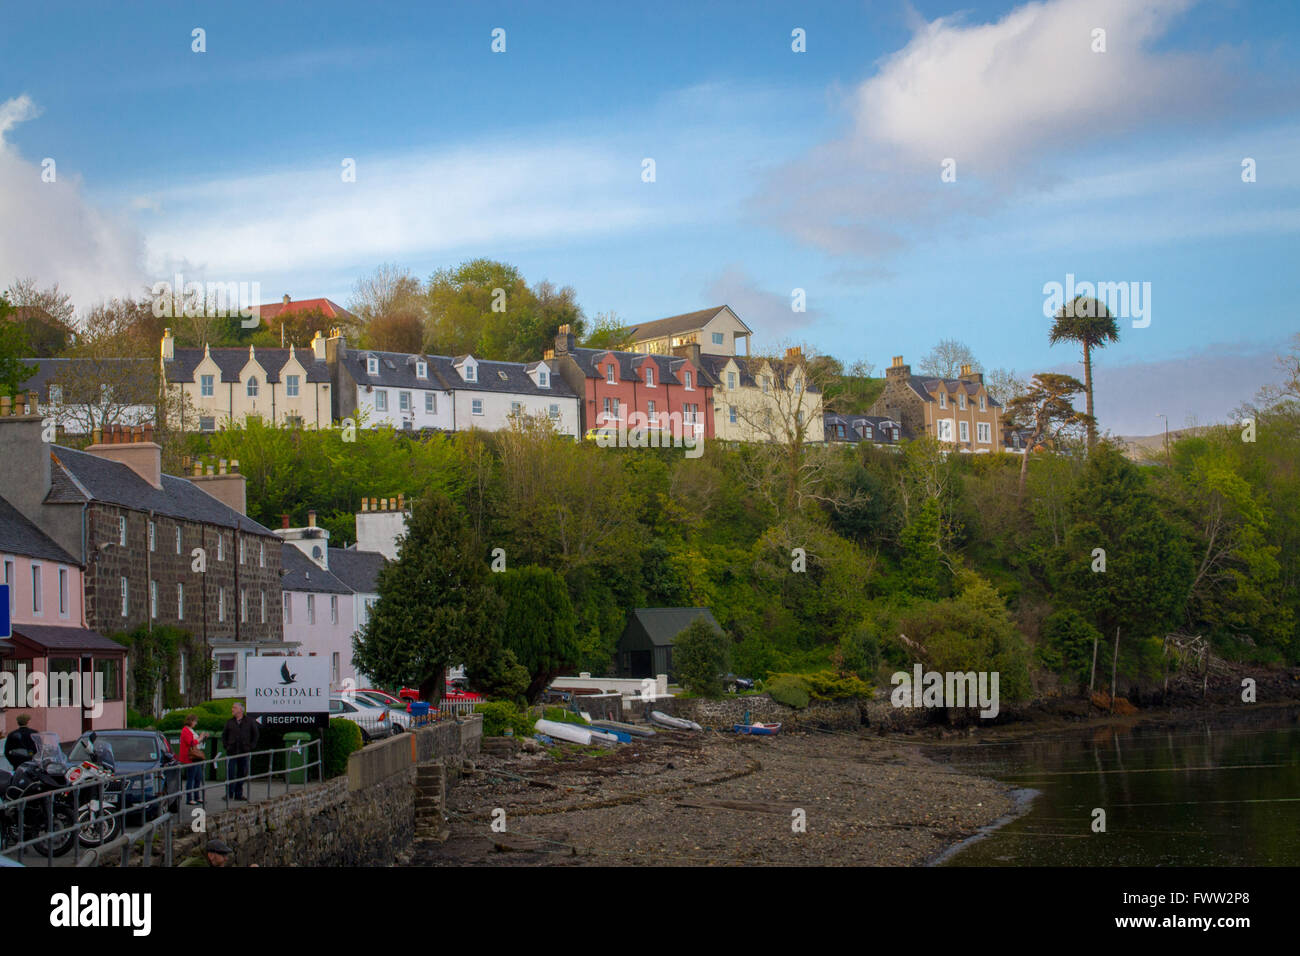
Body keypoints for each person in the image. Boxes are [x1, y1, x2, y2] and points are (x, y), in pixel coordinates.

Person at [222, 702, 259, 801]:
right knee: (230, 773)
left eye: (234, 707)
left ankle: (239, 794)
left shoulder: (249, 721)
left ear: (240, 710)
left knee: (241, 773)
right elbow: (224, 735)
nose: (232, 709)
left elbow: (255, 735)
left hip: (244, 751)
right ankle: (229, 794)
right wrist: (226, 746)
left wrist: (250, 746)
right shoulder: (230, 722)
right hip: (232, 752)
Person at [179, 713, 208, 805]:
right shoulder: (185, 731)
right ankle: (189, 798)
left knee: (198, 778)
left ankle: (197, 797)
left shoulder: (191, 730)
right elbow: (191, 743)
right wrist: (201, 737)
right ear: (191, 721)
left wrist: (202, 738)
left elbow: (196, 741)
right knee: (191, 778)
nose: (196, 723)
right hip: (190, 757)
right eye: (195, 721)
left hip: (195, 757)